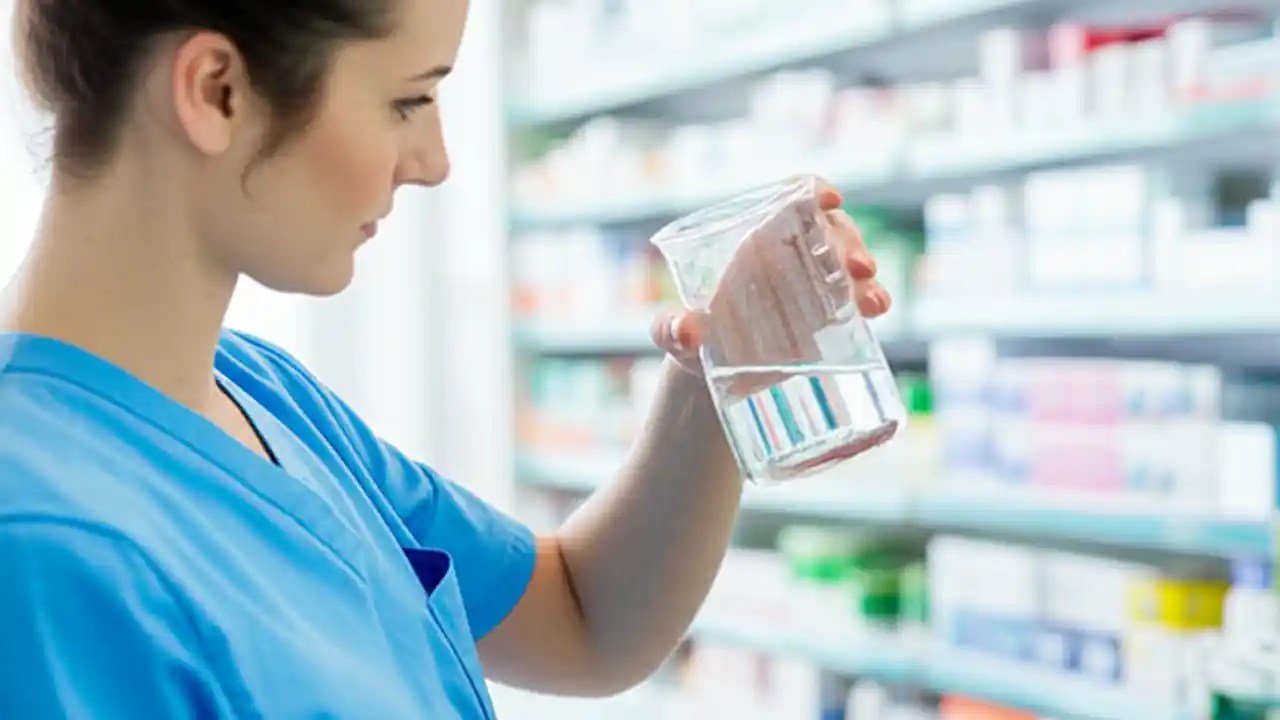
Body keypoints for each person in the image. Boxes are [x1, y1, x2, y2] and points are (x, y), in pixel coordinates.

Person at [0, 0, 891, 717]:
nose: (434, 162)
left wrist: (718, 366)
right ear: (218, 91)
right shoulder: (43, 551)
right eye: (407, 101)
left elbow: (584, 619)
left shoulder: (262, 395)